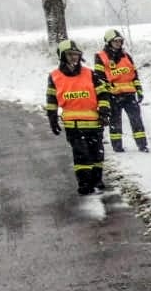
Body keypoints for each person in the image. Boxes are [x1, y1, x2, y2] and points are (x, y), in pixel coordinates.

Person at [44, 40, 110, 196]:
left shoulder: (89, 73)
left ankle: (97, 180)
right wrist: (52, 119)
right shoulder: (55, 77)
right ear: (62, 56)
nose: (74, 58)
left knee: (97, 154)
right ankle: (85, 183)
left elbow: (103, 93)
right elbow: (51, 101)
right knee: (81, 155)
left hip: (94, 123)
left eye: (76, 55)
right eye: (70, 55)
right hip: (73, 126)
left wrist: (105, 112)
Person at [94, 28, 147, 152]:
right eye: (115, 41)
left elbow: (134, 75)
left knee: (137, 120)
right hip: (113, 96)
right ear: (108, 42)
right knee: (115, 123)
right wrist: (106, 93)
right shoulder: (100, 57)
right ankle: (117, 147)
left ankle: (142, 145)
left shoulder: (127, 56)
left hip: (129, 95)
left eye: (120, 41)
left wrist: (139, 90)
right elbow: (99, 78)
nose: (118, 43)